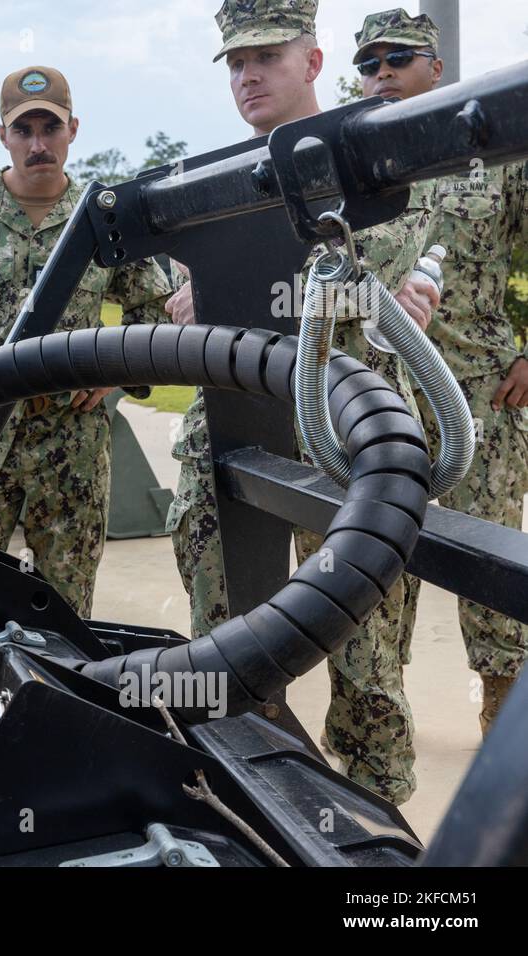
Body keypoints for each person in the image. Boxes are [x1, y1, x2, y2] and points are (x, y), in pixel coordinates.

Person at [166, 0, 438, 804]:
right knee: (224, 662)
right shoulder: (207, 183)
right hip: (232, 435)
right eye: (236, 64)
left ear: (312, 63)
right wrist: (187, 302)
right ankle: (263, 816)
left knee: (369, 673)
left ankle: (380, 853)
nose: (249, 76)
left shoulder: (377, 165)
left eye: (267, 58)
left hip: (354, 448)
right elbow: (176, 300)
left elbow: (403, 290)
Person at [0, 65, 171, 615]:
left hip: (70, 450)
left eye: (50, 128)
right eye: (23, 131)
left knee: (65, 612)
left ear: (74, 129)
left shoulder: (103, 220)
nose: (38, 144)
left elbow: (155, 314)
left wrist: (115, 371)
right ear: (3, 136)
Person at [355, 7, 528, 733]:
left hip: (482, 394)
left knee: (491, 572)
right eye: (370, 63)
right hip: (382, 400)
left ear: (436, 67)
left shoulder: (490, 155)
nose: (383, 74)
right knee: (379, 572)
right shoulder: (351, 164)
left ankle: (504, 737)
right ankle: (380, 740)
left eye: (399, 59)